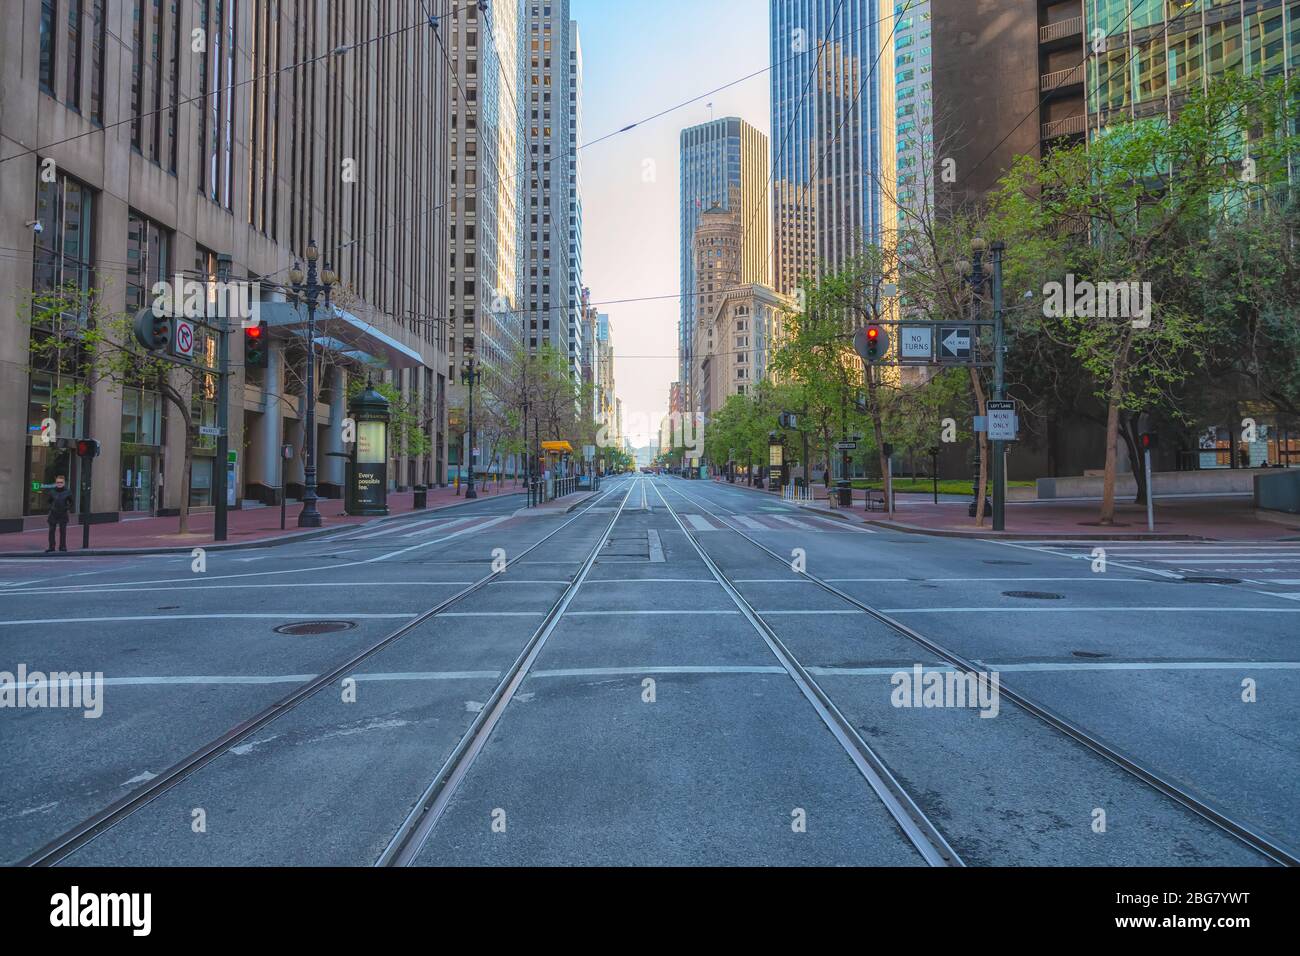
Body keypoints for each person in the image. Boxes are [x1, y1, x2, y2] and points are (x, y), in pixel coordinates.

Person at [46, 476, 74, 553]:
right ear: (56, 483)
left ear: (64, 483)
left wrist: (66, 508)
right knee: (51, 531)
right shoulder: (52, 492)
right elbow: (48, 502)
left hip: (63, 514)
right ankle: (51, 547)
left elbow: (71, 502)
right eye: (58, 482)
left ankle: (63, 547)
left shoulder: (68, 492)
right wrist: (51, 508)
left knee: (63, 531)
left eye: (61, 482)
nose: (59, 484)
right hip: (53, 514)